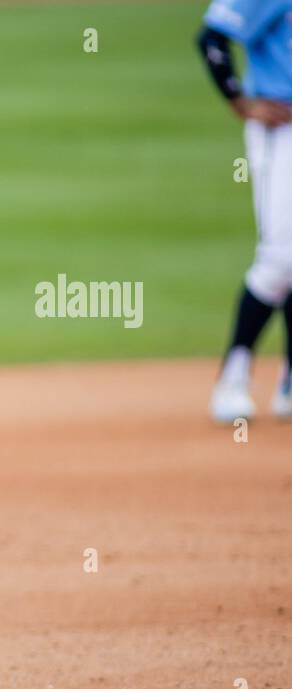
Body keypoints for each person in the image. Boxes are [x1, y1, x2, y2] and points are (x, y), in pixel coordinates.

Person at [198, 1, 292, 422]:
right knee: (281, 258)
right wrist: (241, 102)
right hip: (281, 131)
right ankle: (233, 376)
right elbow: (211, 38)